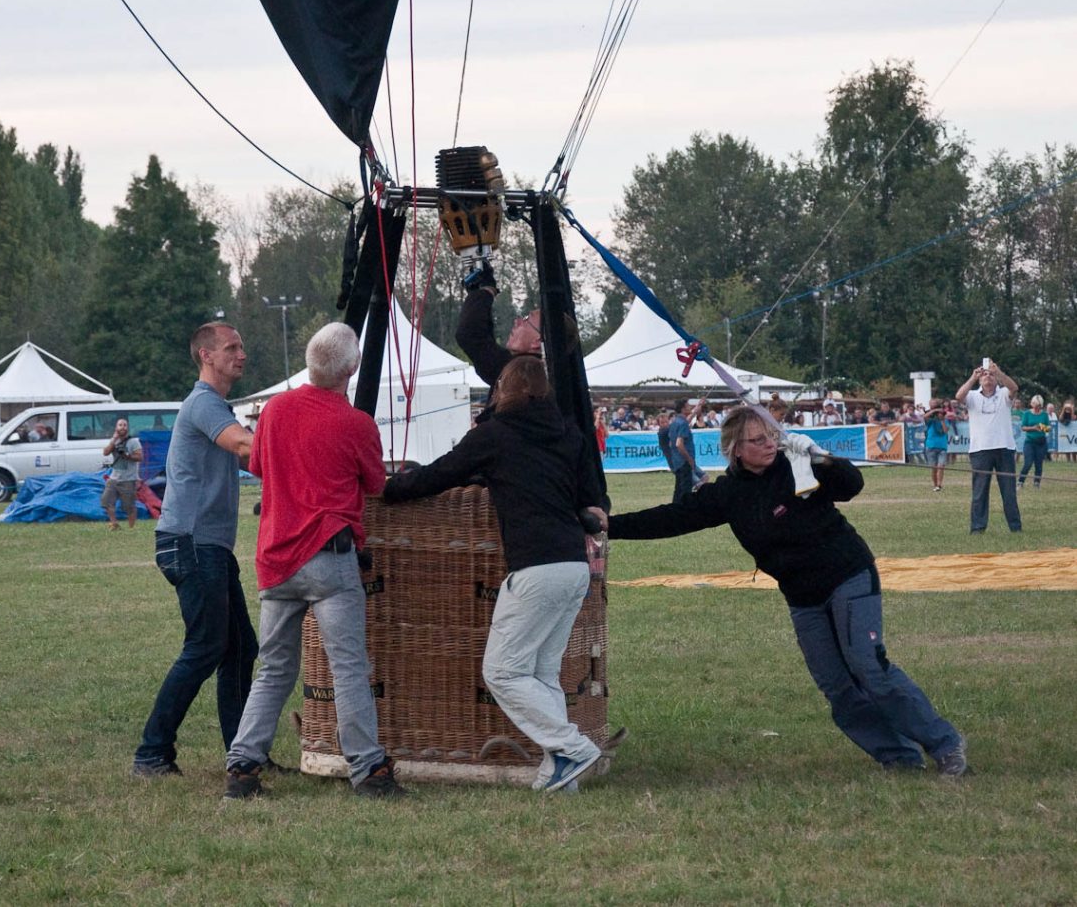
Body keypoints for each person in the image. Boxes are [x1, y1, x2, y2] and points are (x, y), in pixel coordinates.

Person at [608, 407, 968, 776]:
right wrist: (609, 526)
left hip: (847, 575)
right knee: (837, 687)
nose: (769, 444)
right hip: (803, 598)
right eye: (758, 439)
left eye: (771, 436)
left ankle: (945, 745)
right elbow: (672, 518)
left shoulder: (798, 465)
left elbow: (851, 486)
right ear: (735, 449)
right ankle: (898, 756)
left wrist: (823, 460)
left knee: (868, 667)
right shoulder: (729, 493)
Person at [384, 356, 608, 793]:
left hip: (535, 567)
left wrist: (389, 487)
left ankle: (573, 747)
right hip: (573, 567)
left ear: (502, 390)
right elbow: (589, 501)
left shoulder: (494, 435)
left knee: (503, 672)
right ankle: (560, 773)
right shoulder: (570, 434)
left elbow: (438, 475)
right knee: (542, 674)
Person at [224, 323, 401, 801]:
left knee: (274, 671)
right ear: (352, 369)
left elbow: (259, 465)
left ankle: (242, 768)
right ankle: (368, 770)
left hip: (276, 558)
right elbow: (376, 485)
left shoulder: (276, 410)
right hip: (329, 557)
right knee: (348, 668)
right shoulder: (356, 424)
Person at [132, 322, 258, 778]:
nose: (241, 354)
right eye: (232, 347)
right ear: (206, 355)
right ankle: (151, 753)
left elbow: (251, 459)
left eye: (241, 346)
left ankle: (243, 754)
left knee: (241, 648)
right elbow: (243, 444)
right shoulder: (204, 404)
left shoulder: (216, 406)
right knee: (206, 647)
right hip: (190, 543)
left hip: (209, 546)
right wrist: (295, 435)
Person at [956, 362, 1021, 535]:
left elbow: (1014, 387)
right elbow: (959, 396)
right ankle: (977, 527)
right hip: (980, 449)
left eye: (990, 375)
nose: (988, 377)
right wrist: (972, 378)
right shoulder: (972, 396)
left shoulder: (1004, 394)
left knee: (1008, 492)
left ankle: (1015, 527)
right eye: (984, 375)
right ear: (979, 379)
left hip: (1004, 447)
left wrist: (999, 372)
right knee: (979, 492)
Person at [101, 417, 142, 531]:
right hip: (114, 477)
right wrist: (113, 440)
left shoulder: (133, 442)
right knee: (106, 501)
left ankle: (131, 528)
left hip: (128, 479)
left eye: (124, 425)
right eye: (120, 425)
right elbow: (105, 452)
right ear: (116, 427)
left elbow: (140, 457)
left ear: (127, 428)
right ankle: (114, 523)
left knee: (129, 506)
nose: (122, 427)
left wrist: (128, 456)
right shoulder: (114, 441)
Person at [668, 398, 705, 502]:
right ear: (683, 409)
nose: (690, 407)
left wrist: (699, 405)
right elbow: (679, 444)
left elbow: (689, 418)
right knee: (685, 491)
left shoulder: (675, 422)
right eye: (688, 405)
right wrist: (689, 459)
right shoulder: (683, 424)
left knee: (678, 490)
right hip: (684, 462)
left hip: (677, 461)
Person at [1018, 394, 1049, 490]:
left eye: (1038, 406)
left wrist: (1042, 427)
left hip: (1041, 442)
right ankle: (1020, 482)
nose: (1036, 408)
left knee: (1039, 463)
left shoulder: (1044, 415)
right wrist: (1033, 428)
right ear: (1032, 404)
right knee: (1028, 462)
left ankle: (1036, 483)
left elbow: (1048, 428)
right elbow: (1023, 427)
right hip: (1030, 442)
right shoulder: (1027, 414)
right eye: (1035, 405)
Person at [923, 401, 952, 492]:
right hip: (931, 445)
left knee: (941, 466)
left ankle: (939, 485)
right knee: (934, 468)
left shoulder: (945, 420)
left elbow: (945, 430)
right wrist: (934, 410)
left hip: (942, 446)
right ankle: (935, 484)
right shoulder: (931, 421)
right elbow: (924, 417)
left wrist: (942, 420)